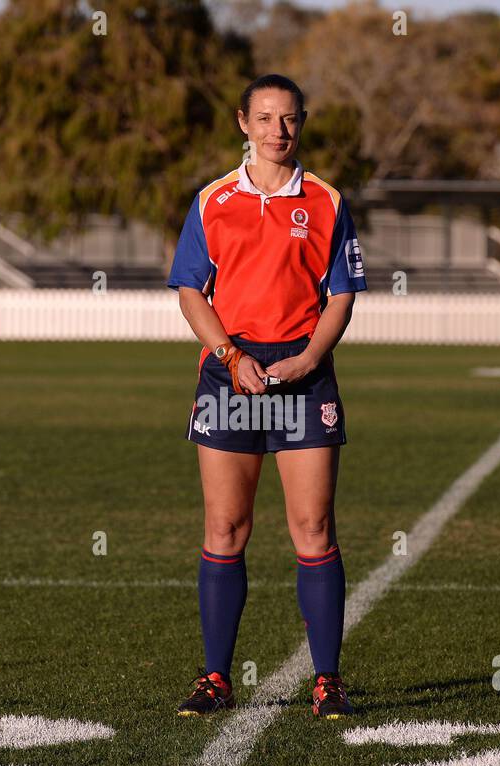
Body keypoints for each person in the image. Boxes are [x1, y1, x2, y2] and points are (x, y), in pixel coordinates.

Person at [166, 74, 367, 719]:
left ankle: (328, 679)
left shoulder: (328, 202)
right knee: (226, 527)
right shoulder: (212, 201)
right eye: (265, 118)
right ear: (243, 123)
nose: (278, 130)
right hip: (231, 375)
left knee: (313, 528)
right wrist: (231, 355)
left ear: (301, 123)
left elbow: (342, 293)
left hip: (304, 377)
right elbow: (191, 290)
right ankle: (215, 678)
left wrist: (310, 356)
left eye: (289, 119)